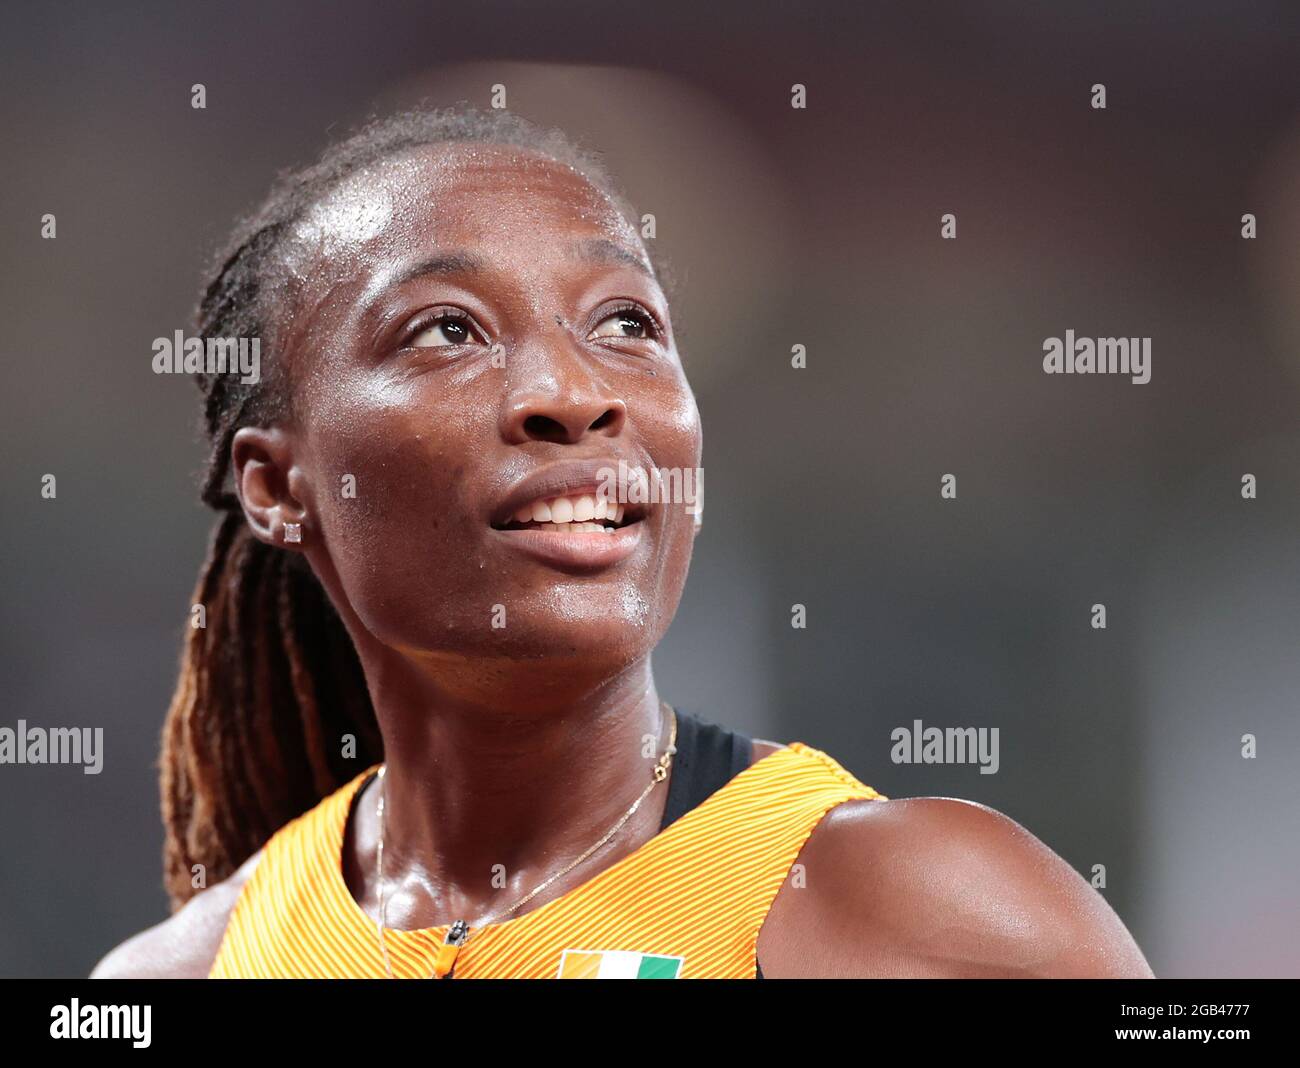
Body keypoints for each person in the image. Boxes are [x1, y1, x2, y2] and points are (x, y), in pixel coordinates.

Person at [91, 104, 1153, 979]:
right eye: (446, 329)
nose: (572, 393)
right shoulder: (175, 976)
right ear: (279, 487)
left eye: (626, 324)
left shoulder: (922, 915)